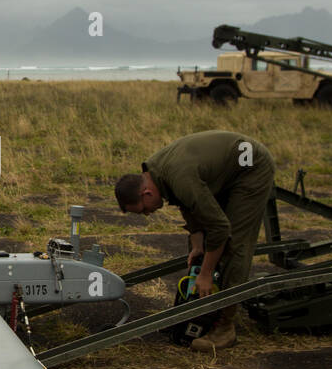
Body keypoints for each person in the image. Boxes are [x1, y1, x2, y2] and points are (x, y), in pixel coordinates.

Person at [115, 130, 275, 350]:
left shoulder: (180, 177)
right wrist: (198, 245)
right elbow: (187, 204)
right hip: (228, 170)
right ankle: (199, 314)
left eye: (143, 210)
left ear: (146, 194)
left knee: (234, 244)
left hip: (252, 168)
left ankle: (225, 327)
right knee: (202, 246)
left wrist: (206, 273)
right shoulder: (155, 172)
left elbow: (220, 228)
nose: (147, 214)